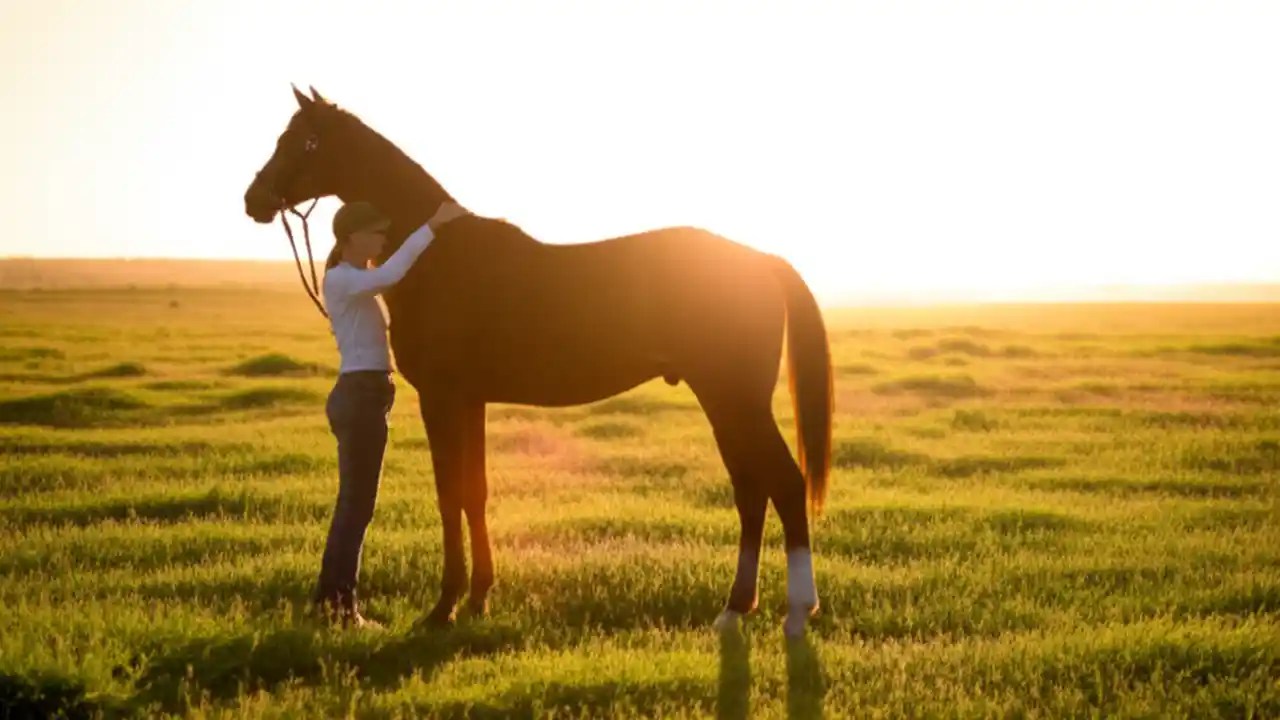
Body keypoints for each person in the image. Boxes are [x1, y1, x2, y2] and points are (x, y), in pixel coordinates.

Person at [314, 198, 471, 627]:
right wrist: (433, 225)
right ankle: (340, 611)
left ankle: (331, 603)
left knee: (355, 506)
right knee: (355, 508)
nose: (383, 239)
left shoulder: (352, 279)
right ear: (352, 238)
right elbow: (391, 273)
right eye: (376, 233)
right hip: (360, 395)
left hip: (366, 395)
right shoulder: (345, 279)